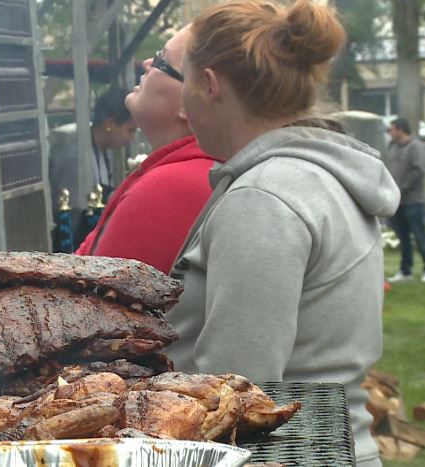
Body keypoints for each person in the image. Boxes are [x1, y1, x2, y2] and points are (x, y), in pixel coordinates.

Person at [169, 2, 400, 466]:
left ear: (210, 85)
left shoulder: (265, 197)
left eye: (185, 82)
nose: (181, 106)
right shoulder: (314, 177)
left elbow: (232, 394)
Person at [75, 26, 219, 274]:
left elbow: (89, 298)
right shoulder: (199, 168)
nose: (147, 63)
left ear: (189, 100)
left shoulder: (171, 186)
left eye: (162, 61)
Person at [48, 88, 138, 210]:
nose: (132, 138)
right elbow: (76, 211)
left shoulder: (106, 151)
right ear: (109, 124)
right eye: (130, 130)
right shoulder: (75, 157)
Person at [384, 117, 425, 282]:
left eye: (392, 129)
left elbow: (419, 170)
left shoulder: (416, 147)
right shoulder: (392, 146)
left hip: (413, 201)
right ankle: (405, 270)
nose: (390, 132)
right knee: (403, 237)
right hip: (397, 201)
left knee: (420, 235)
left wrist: (403, 187)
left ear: (401, 129)